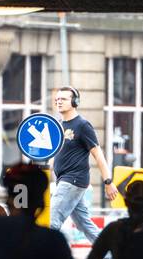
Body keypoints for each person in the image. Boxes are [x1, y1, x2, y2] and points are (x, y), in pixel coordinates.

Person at [48, 86, 118, 243]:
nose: (59, 102)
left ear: (75, 102)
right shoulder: (58, 125)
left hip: (73, 180)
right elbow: (53, 156)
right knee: (84, 225)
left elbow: (98, 155)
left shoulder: (82, 125)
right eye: (57, 99)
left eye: (63, 99)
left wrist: (108, 181)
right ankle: (114, 257)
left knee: (51, 222)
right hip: (64, 181)